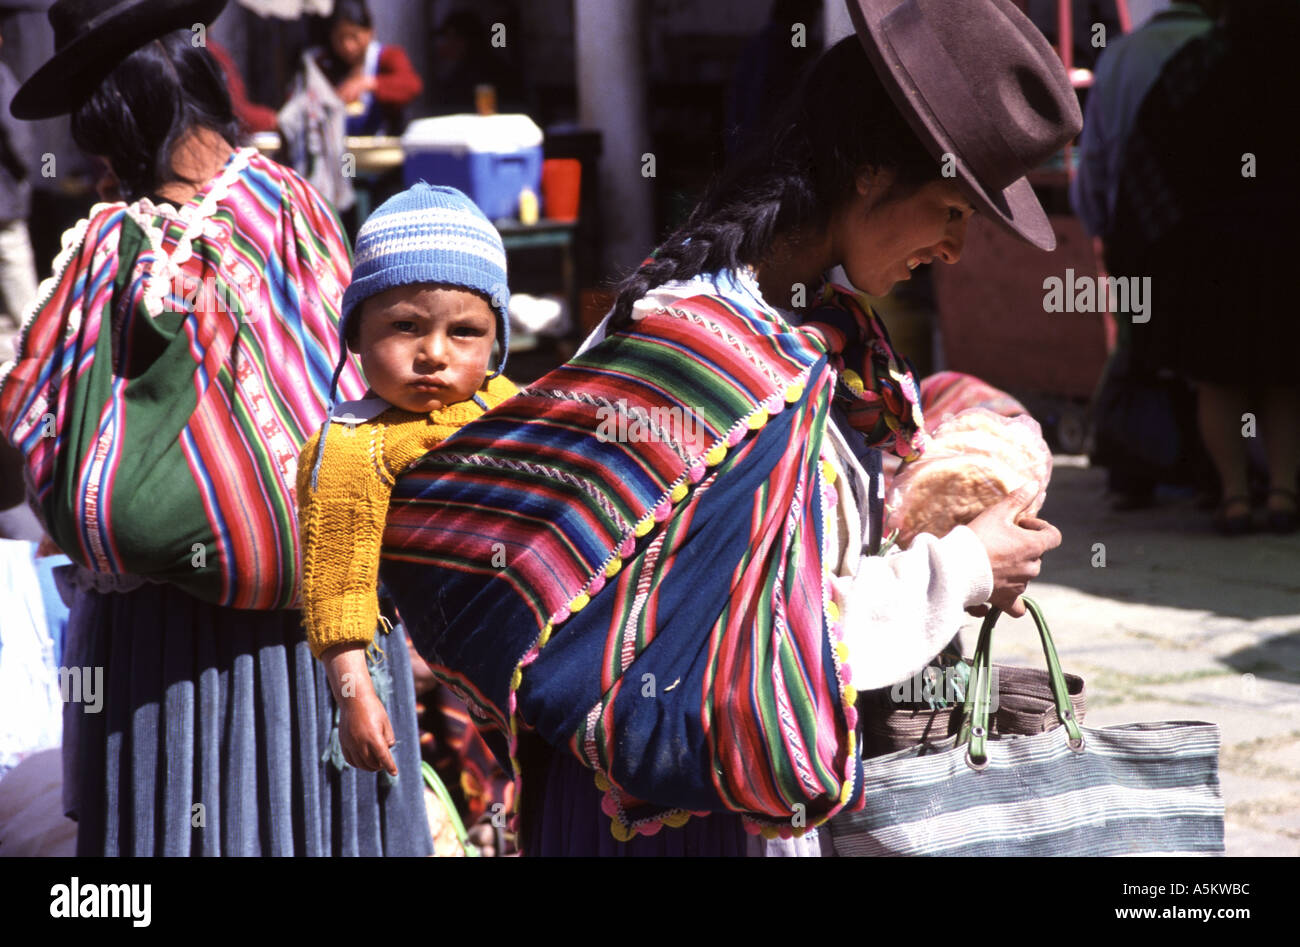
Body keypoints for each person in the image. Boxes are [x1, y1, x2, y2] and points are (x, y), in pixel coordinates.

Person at [380, 0, 1076, 856]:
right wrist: (962, 567)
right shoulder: (700, 360)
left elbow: (791, 583)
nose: (957, 249)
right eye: (952, 209)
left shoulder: (819, 340)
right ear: (867, 171)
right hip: (667, 820)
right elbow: (747, 647)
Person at [0, 0, 430, 855]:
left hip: (161, 651)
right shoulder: (294, 205)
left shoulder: (106, 251)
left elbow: (37, 438)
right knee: (315, 824)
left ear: (115, 116)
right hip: (329, 622)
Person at [296, 183, 518, 776]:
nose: (434, 354)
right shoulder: (351, 447)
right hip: (433, 669)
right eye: (404, 327)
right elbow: (338, 587)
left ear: (498, 341)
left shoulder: (513, 407)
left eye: (465, 332)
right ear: (354, 336)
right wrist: (355, 695)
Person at [1105, 0, 1300, 534]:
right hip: (1285, 245)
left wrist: (1156, 246)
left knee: (1218, 380)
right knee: (1285, 377)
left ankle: (1235, 498)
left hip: (1215, 249)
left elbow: (1151, 158)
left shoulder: (1202, 62)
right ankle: (1283, 494)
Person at [1071, 2, 1217, 512]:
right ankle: (1211, 473)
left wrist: (1097, 224)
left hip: (1135, 231)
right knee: (1206, 355)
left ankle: (1135, 464)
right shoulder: (1217, 47)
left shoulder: (1121, 55)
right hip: (1212, 232)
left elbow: (1094, 154)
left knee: (1140, 346)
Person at [315, 0, 422, 137]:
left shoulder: (388, 57)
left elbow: (412, 86)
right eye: (340, 38)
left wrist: (369, 83)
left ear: (370, 32)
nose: (348, 46)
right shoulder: (325, 64)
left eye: (354, 36)